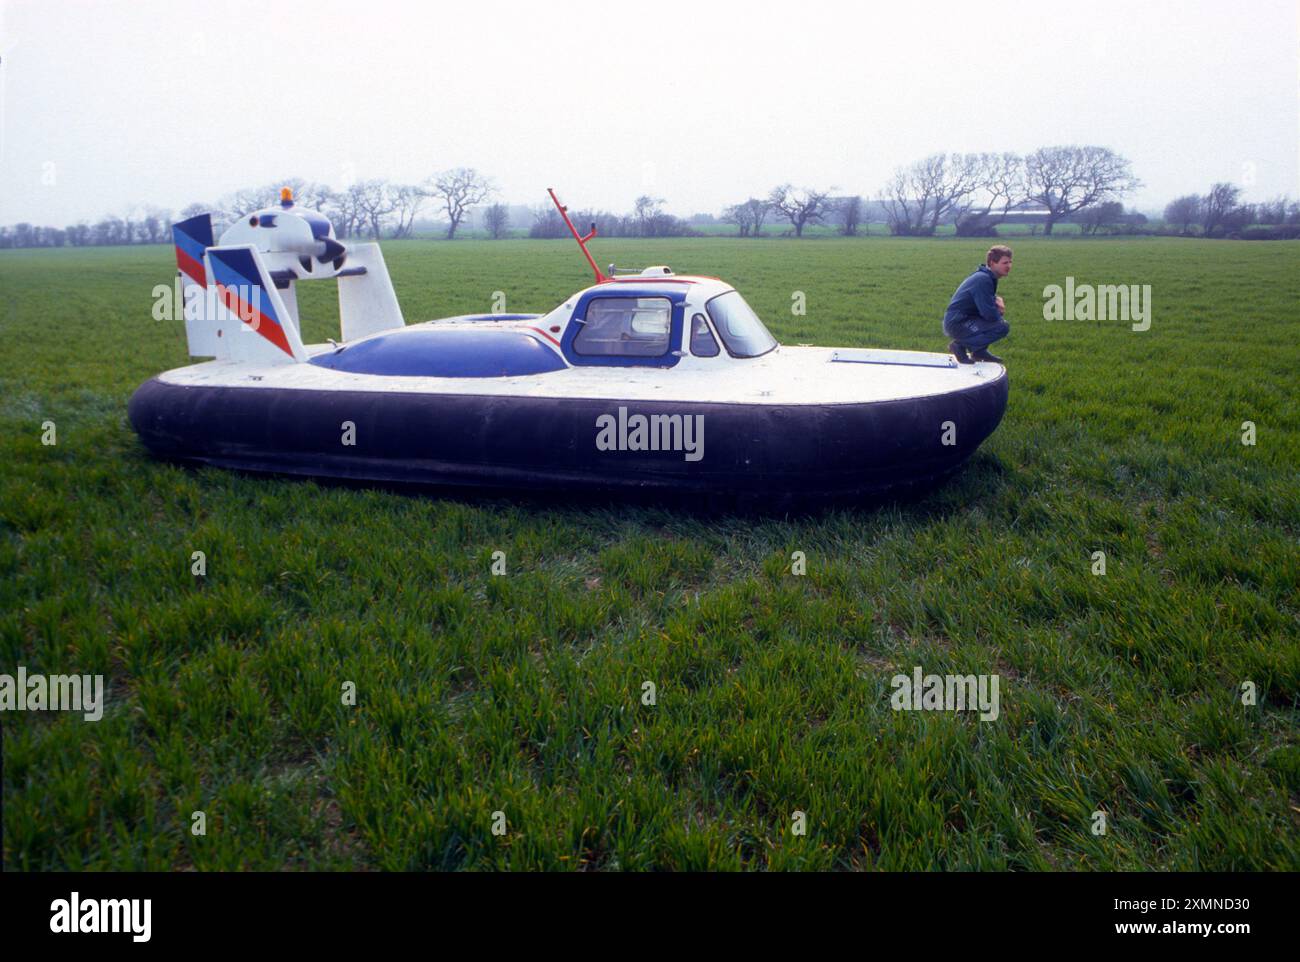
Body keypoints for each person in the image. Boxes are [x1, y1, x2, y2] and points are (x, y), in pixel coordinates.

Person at [943, 245, 1012, 364]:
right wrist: (999, 309)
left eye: (1010, 262)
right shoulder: (983, 279)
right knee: (1001, 327)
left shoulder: (987, 277)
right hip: (958, 322)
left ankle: (979, 352)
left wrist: (996, 302)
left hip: (962, 319)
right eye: (1005, 263)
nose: (1009, 266)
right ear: (992, 263)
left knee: (996, 324)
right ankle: (959, 346)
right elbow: (989, 314)